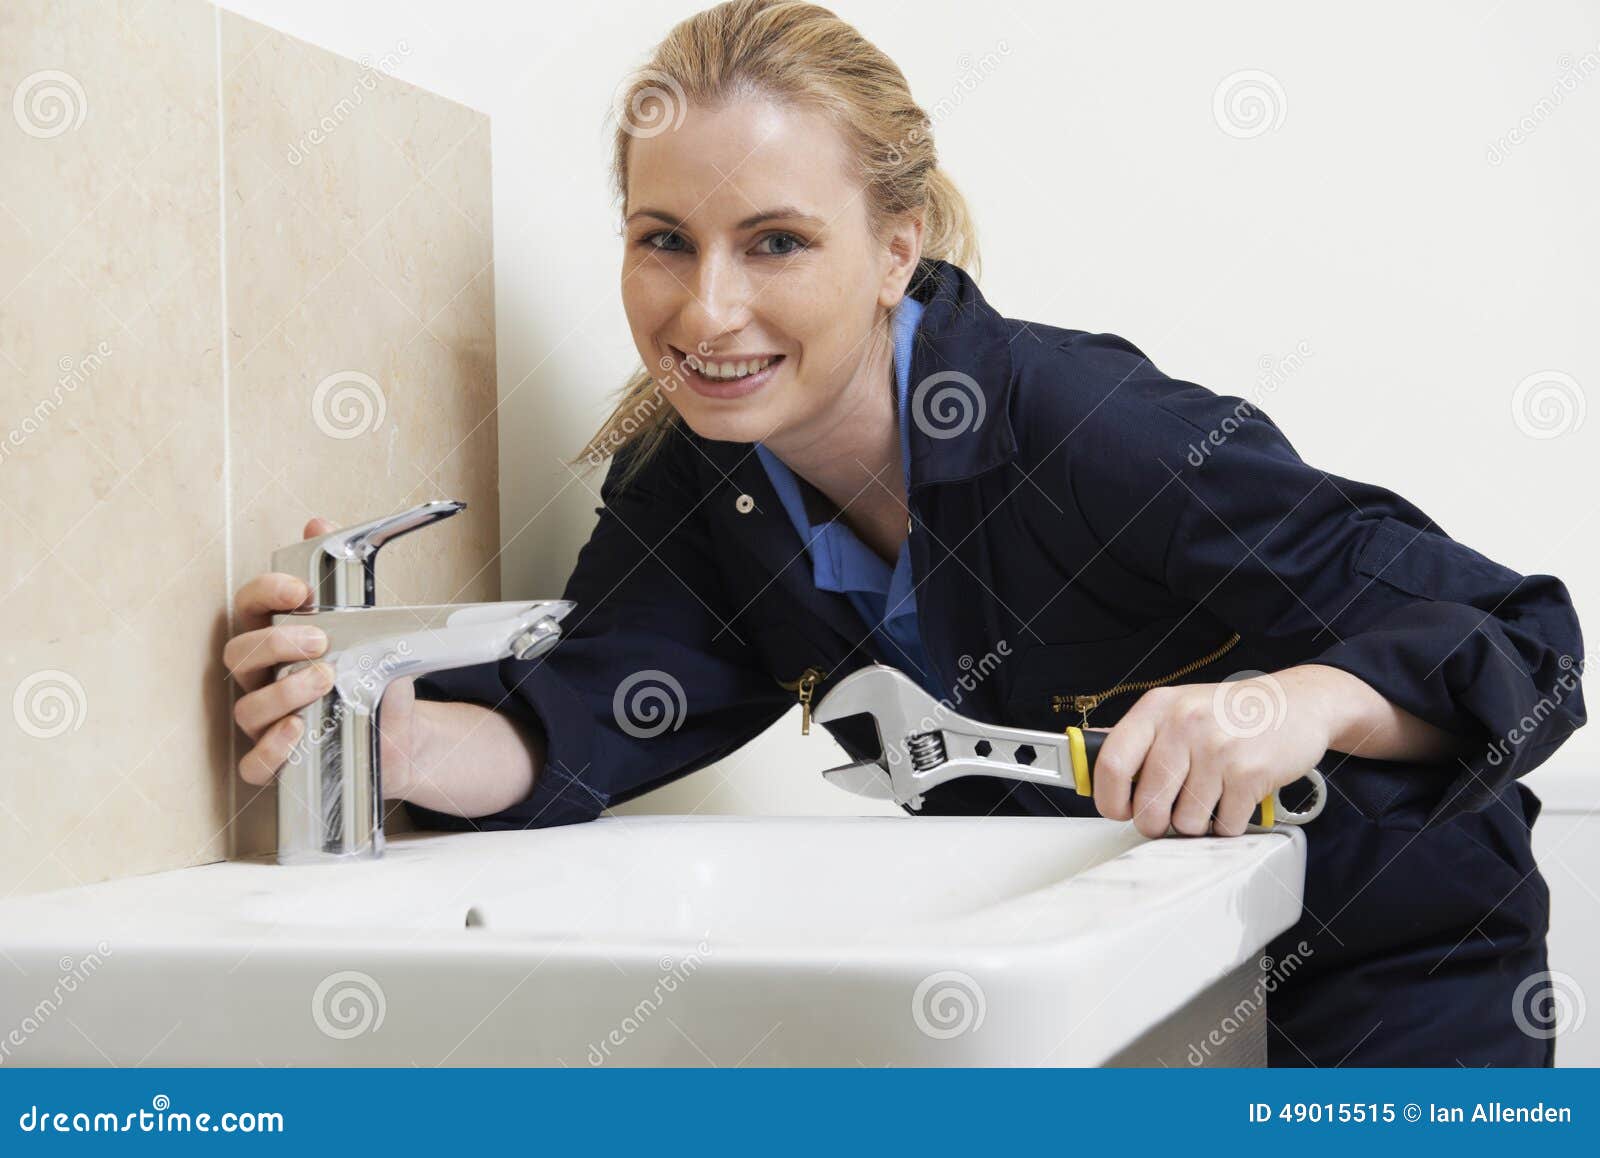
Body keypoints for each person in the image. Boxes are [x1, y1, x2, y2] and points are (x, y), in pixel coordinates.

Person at [221, 0, 1585, 1065]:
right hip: (1115, 978)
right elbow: (590, 715)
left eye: (773, 242)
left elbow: (1529, 642)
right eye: (661, 238)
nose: (704, 310)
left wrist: (1299, 702)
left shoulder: (1094, 428)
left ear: (893, 249)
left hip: (1393, 974)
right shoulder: (701, 480)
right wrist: (386, 727)